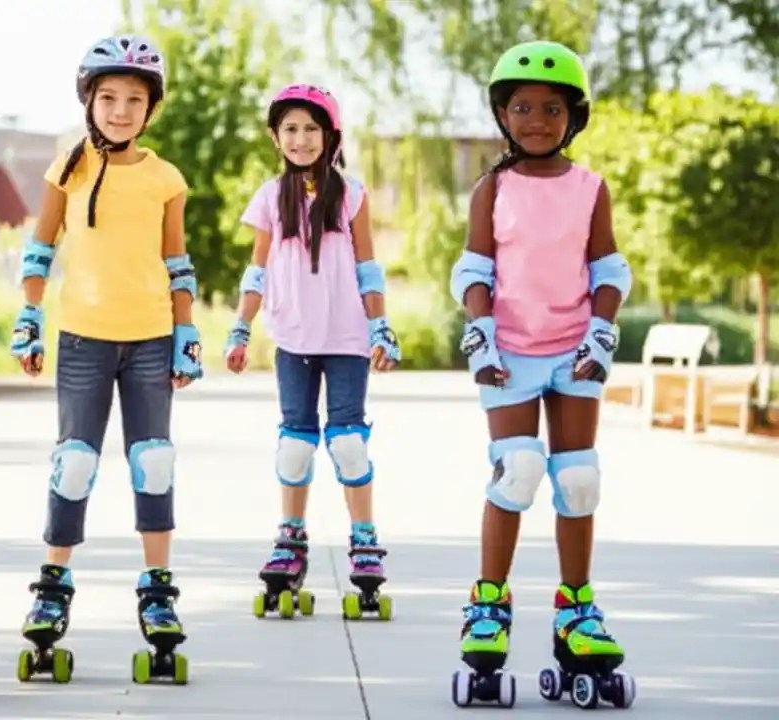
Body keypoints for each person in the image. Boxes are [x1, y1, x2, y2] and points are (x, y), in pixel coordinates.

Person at [9, 34, 202, 685]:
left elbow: (178, 263)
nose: (120, 110)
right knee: (75, 464)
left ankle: (157, 589)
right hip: (84, 340)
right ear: (89, 101)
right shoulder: (68, 167)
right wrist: (31, 316)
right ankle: (52, 585)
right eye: (109, 97)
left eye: (134, 100)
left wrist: (186, 333)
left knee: (154, 461)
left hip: (149, 339)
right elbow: (40, 250)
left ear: (151, 109)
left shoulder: (164, 178)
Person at [448, 41, 635, 709]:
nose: (536, 119)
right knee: (517, 470)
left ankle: (575, 608)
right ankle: (489, 603)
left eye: (551, 108)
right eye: (521, 107)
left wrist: (602, 332)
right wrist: (481, 334)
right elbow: (475, 270)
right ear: (503, 115)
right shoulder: (492, 188)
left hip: (576, 348)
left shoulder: (590, 188)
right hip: (508, 351)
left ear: (573, 116)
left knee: (578, 479)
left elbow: (608, 270)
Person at [224, 84, 402, 622]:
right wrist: (239, 328)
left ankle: (365, 541)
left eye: (310, 129)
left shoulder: (351, 195)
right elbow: (256, 272)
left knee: (348, 445)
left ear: (331, 136)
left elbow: (368, 267)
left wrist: (381, 326)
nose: (300, 139)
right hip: (293, 340)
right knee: (295, 447)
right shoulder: (270, 197)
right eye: (290, 129)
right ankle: (291, 538)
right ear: (276, 137)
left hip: (346, 340)